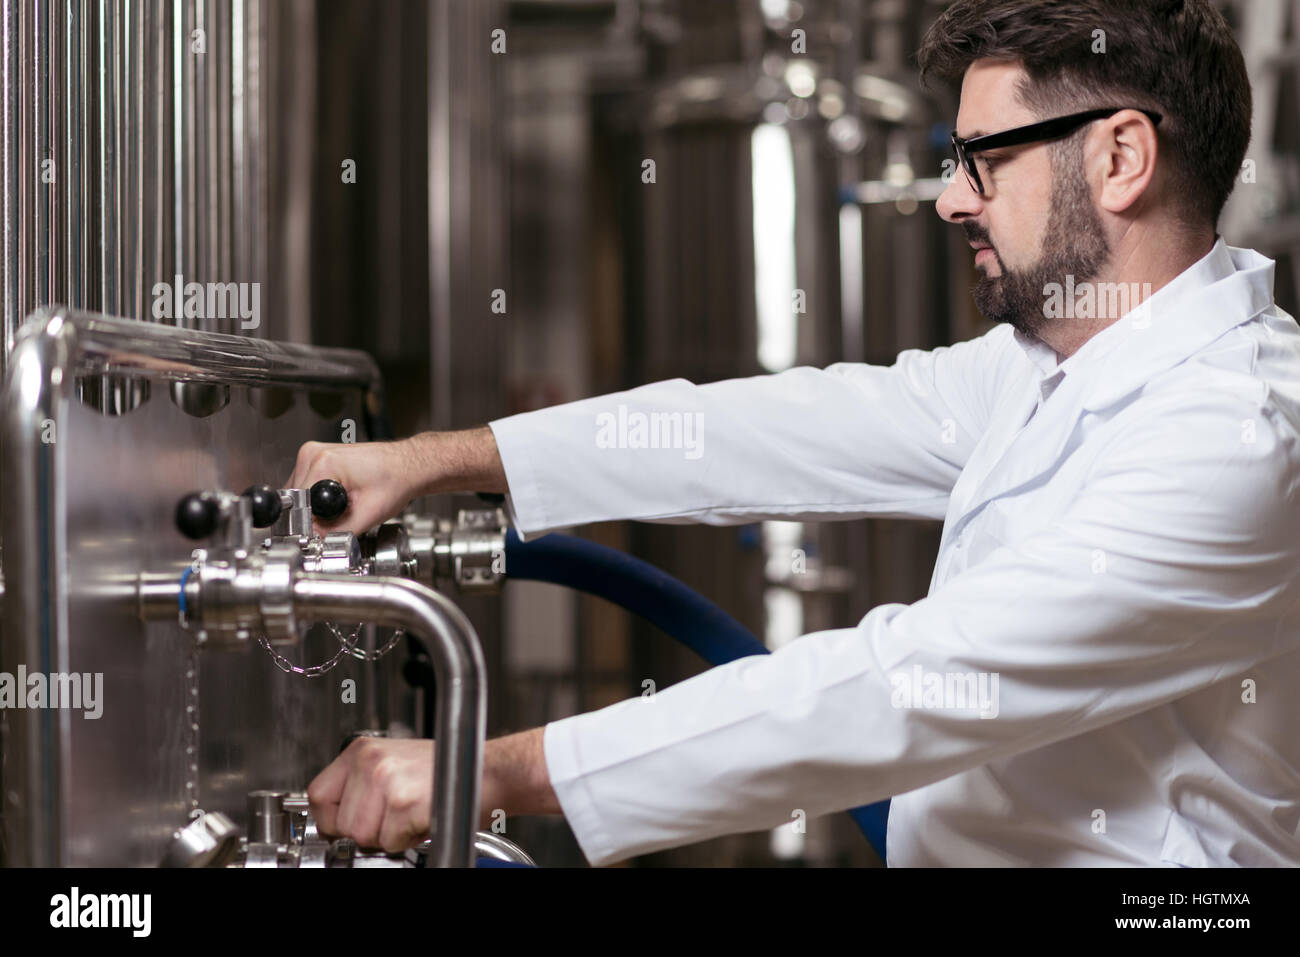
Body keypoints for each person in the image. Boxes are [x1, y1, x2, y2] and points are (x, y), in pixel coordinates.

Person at [298, 0, 1300, 866]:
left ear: (1119, 155)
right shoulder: (1059, 362)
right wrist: (434, 461)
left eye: (982, 161)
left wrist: (490, 769)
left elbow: (908, 686)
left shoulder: (1232, 438)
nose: (951, 199)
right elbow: (766, 428)